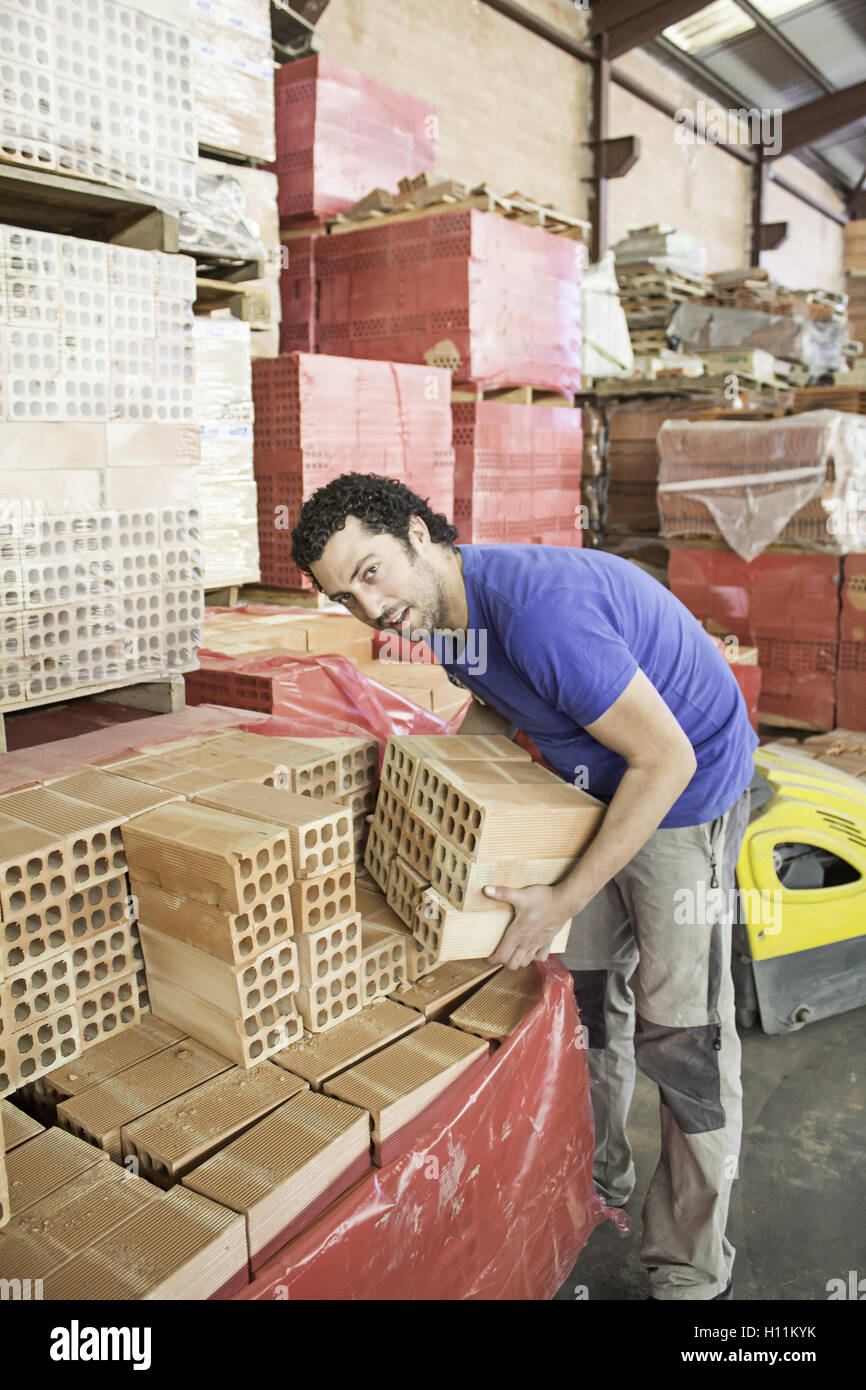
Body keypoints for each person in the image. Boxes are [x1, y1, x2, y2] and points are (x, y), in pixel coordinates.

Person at [290, 472, 758, 1302]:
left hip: (681, 785)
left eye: (370, 573)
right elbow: (496, 710)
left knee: (681, 1031)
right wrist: (421, 800)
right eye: (343, 598)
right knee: (588, 998)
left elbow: (667, 759)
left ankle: (690, 1269)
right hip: (596, 772)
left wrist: (565, 898)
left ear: (419, 535)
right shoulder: (434, 612)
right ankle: (599, 1180)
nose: (368, 609)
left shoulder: (542, 616)